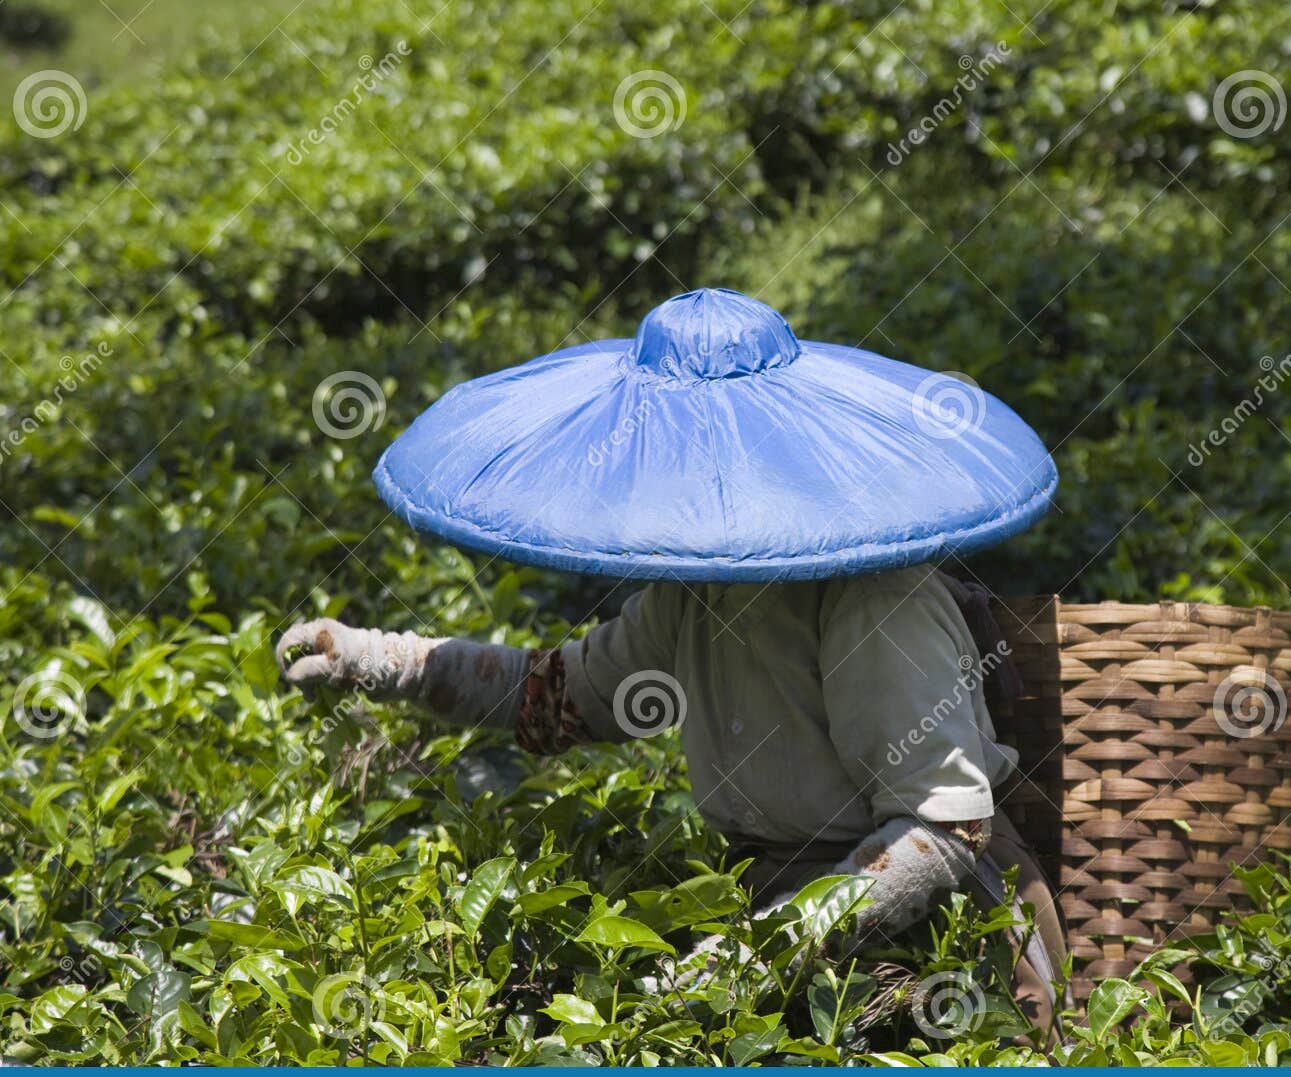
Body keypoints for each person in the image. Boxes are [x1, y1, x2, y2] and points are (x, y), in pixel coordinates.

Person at [277, 288, 1067, 1035]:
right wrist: (376, 659)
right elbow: (555, 697)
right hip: (782, 911)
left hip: (945, 945)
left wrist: (760, 956)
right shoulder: (696, 597)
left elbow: (943, 832)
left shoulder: (873, 599)